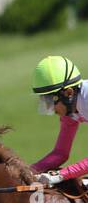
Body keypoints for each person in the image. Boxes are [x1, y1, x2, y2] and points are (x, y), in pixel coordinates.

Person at [29, 55, 86, 187]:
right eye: (44, 101)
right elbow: (60, 153)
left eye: (50, 100)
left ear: (69, 93)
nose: (50, 108)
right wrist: (29, 171)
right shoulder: (70, 112)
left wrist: (61, 175)